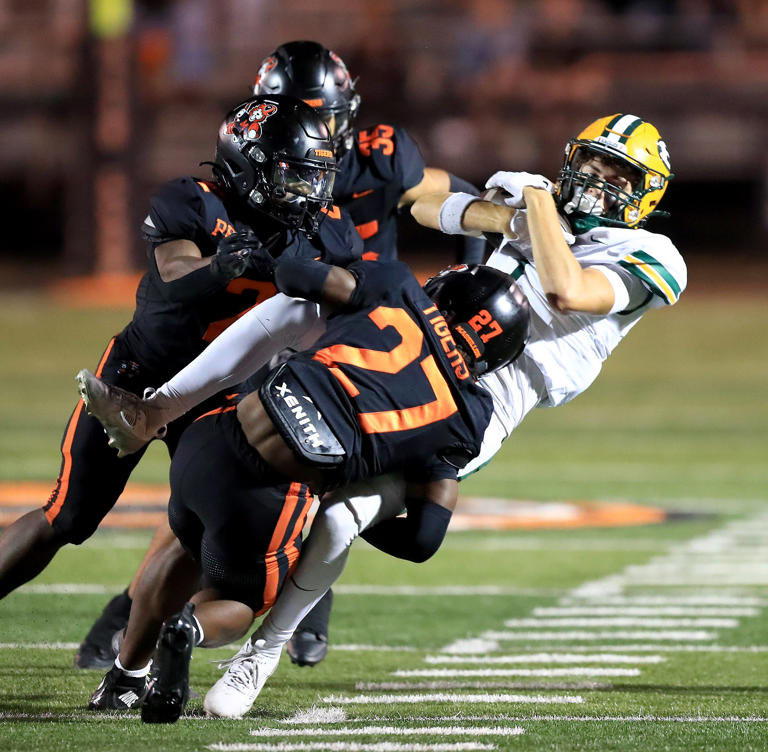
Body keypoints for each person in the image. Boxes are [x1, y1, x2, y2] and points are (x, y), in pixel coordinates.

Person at [93, 112, 685, 718]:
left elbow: (567, 290)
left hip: (479, 399)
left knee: (338, 515)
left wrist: (535, 204)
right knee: (300, 306)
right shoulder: (539, 203)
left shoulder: (651, 254)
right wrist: (504, 214)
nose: (594, 177)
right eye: (590, 161)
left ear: (646, 194)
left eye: (616, 172)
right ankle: (155, 409)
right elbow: (429, 206)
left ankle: (263, 651)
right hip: (422, 326)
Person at [77, 38, 487, 671]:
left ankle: (267, 617)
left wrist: (478, 253)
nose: (311, 136)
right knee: (235, 489)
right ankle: (147, 611)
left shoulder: (376, 157)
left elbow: (450, 196)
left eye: (319, 116)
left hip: (364, 324)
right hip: (305, 318)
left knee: (267, 483)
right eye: (293, 117)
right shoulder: (262, 165)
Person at [80, 258, 531, 722]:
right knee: (241, 603)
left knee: (183, 546)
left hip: (212, 436)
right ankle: (188, 628)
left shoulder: (396, 285)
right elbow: (422, 541)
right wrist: (339, 510)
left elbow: (296, 278)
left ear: (445, 293)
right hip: (271, 494)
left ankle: (123, 679)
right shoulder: (469, 414)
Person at [0, 94, 361, 669]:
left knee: (200, 530)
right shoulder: (191, 201)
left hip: (218, 399)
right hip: (141, 375)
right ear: (249, 163)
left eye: (314, 175)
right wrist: (226, 265)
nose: (307, 191)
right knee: (68, 515)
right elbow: (174, 278)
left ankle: (135, 664)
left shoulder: (328, 230)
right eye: (293, 174)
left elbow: (351, 292)